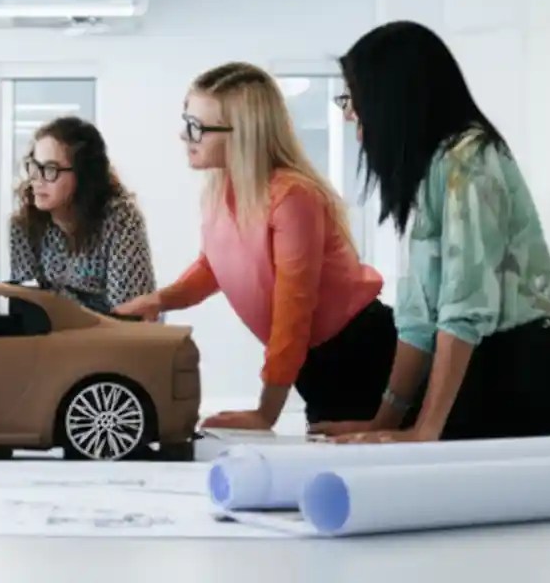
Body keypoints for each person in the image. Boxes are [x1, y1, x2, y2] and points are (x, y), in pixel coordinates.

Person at [313, 21, 550, 443]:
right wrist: (386, 422)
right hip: (484, 370)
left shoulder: (470, 161)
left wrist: (424, 429)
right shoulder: (432, 166)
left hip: (520, 374)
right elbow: (418, 319)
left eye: (354, 98)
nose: (352, 112)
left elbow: (464, 309)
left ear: (394, 95)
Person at [115, 63, 393, 431]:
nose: (185, 136)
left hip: (359, 355)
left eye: (197, 127)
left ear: (243, 135)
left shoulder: (293, 198)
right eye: (187, 121)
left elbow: (293, 312)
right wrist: (160, 300)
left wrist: (265, 413)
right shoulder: (220, 192)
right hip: (316, 361)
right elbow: (215, 265)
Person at [9, 116, 156, 313]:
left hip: (113, 339)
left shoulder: (120, 219)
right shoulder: (23, 225)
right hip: (51, 341)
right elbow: (28, 310)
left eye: (50, 169)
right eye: (34, 166)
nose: (37, 179)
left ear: (83, 175)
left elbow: (128, 313)